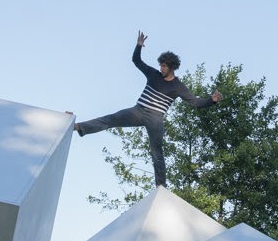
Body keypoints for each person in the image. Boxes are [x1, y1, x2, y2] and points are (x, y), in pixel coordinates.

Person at [71, 31, 222, 188]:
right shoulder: (153, 74)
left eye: (164, 66)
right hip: (138, 111)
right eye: (160, 65)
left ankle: (161, 187)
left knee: (157, 152)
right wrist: (138, 46)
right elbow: (137, 61)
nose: (161, 68)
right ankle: (79, 127)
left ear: (171, 67)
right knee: (111, 119)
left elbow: (196, 102)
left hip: (155, 118)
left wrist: (212, 101)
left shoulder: (178, 87)